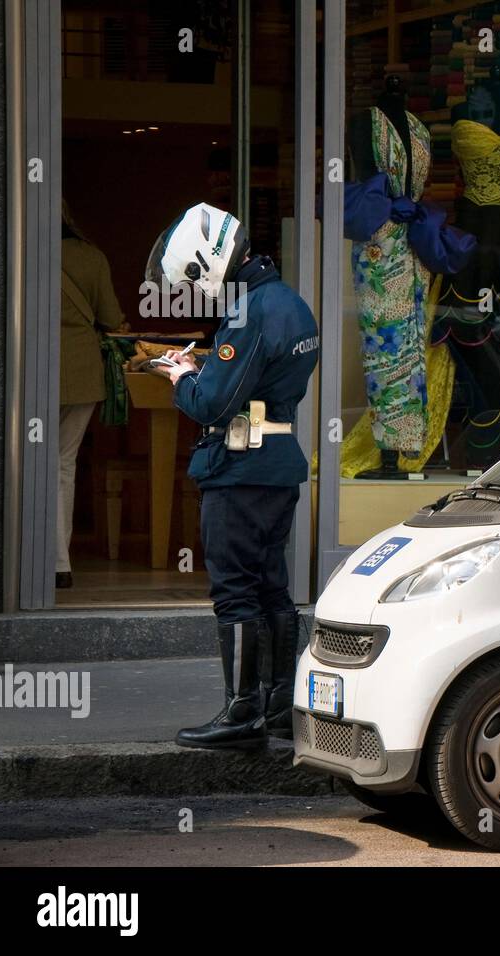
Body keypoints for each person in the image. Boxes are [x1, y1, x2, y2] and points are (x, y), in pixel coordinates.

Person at [146, 202, 320, 749]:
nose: (199, 292)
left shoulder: (249, 312)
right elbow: (261, 386)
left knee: (235, 593)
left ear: (207, 263)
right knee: (273, 589)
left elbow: (212, 405)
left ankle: (240, 715)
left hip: (239, 471)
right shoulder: (290, 303)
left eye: (194, 280)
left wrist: (179, 375)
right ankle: (276, 708)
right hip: (276, 467)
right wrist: (209, 368)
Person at [57, 200, 125, 589]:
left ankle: (26, 560)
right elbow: (112, 318)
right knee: (63, 464)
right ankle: (58, 562)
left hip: (30, 371)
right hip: (81, 373)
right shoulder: (91, 257)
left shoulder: (21, 248)